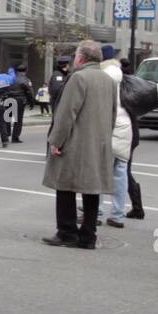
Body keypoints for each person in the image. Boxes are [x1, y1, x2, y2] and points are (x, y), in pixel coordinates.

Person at [42, 41, 117, 250]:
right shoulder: (108, 80)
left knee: (64, 186)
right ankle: (88, 236)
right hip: (98, 142)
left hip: (76, 142)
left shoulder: (79, 77)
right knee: (92, 190)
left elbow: (67, 114)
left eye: (76, 55)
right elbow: (113, 113)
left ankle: (67, 232)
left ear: (82, 57)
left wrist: (56, 141)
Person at [100, 45, 132, 229]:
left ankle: (95, 211)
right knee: (120, 172)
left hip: (109, 126)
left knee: (99, 171)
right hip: (125, 126)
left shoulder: (104, 74)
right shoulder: (123, 75)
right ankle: (118, 214)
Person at [120, 58, 145, 220]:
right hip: (131, 134)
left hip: (125, 135)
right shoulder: (132, 88)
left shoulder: (122, 90)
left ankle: (137, 207)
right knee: (124, 171)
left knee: (122, 171)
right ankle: (137, 207)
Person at [7, 64, 36, 143]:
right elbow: (30, 92)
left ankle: (6, 134)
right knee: (18, 120)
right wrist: (32, 102)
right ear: (25, 71)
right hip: (19, 101)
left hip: (9, 99)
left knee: (7, 118)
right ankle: (15, 137)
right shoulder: (26, 80)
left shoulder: (11, 78)